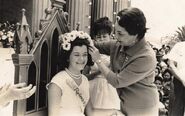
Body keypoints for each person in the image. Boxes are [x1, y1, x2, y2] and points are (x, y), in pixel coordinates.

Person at [88, 7, 159, 116]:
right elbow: (95, 45)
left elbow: (117, 81)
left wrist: (98, 60)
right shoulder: (119, 44)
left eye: (120, 33)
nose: (116, 37)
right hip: (125, 104)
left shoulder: (146, 57)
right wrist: (78, 38)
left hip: (143, 109)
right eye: (116, 31)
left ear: (135, 34)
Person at [47, 30, 94, 116]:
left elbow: (91, 112)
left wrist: (114, 111)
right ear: (67, 57)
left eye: (85, 54)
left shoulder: (85, 80)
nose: (82, 59)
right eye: (76, 55)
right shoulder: (57, 82)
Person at [85, 17, 124, 116]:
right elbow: (85, 74)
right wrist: (95, 74)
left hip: (109, 87)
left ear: (110, 36)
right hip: (92, 86)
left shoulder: (115, 51)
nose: (101, 39)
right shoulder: (92, 51)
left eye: (104, 36)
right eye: (99, 37)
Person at [165, 41, 185, 116]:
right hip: (179, 82)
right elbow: (171, 64)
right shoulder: (179, 45)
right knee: (175, 112)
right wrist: (182, 79)